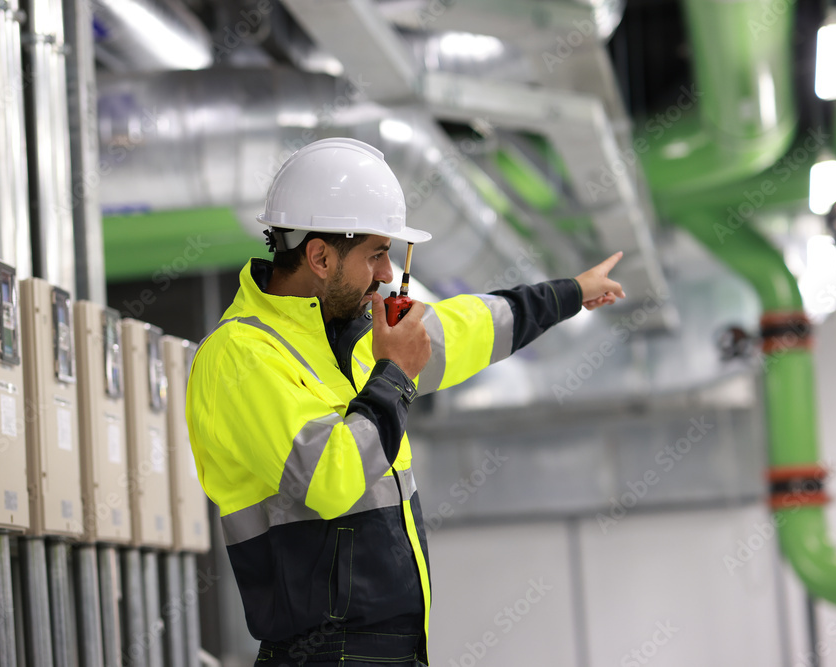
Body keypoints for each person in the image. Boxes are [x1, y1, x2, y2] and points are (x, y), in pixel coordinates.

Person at [185, 138, 625, 667]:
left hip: (390, 649)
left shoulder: (350, 334)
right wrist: (395, 376)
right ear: (320, 256)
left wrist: (568, 294)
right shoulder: (240, 357)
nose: (388, 273)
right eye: (376, 253)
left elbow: (469, 328)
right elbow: (331, 479)